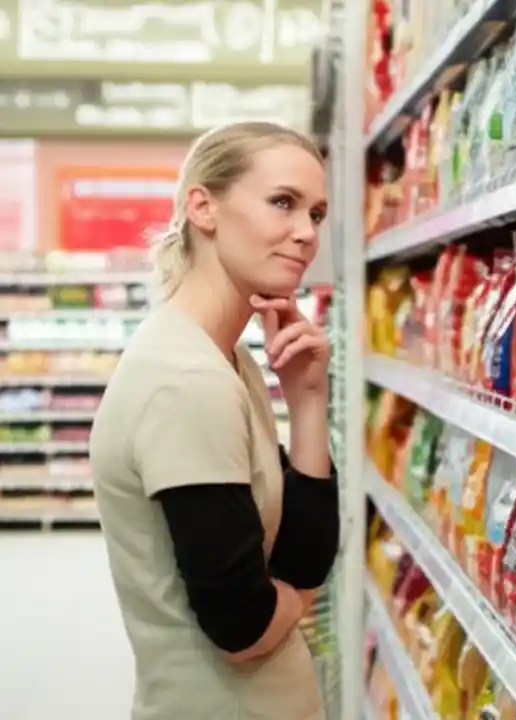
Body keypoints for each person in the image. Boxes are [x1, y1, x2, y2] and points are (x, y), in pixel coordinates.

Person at [90, 122, 340, 720]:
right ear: (203, 207)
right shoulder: (187, 380)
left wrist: (307, 402)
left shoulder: (226, 359)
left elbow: (299, 557)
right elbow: (243, 626)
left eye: (317, 214)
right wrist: (298, 595)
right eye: (283, 203)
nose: (306, 233)